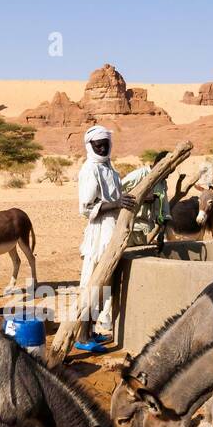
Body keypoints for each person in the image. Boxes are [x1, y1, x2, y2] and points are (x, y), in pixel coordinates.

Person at [76, 125, 134, 351]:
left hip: (113, 228)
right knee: (94, 282)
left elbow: (115, 196)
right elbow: (85, 207)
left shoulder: (109, 167)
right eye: (98, 145)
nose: (102, 148)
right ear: (90, 146)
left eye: (105, 144)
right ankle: (82, 336)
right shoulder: (89, 169)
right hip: (99, 231)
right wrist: (117, 203)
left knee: (105, 285)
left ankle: (91, 331)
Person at [122, 150, 170, 247]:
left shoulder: (162, 183)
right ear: (159, 165)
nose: (168, 175)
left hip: (148, 233)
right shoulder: (138, 176)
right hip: (130, 231)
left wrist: (161, 234)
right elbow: (116, 194)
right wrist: (142, 197)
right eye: (168, 171)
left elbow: (164, 212)